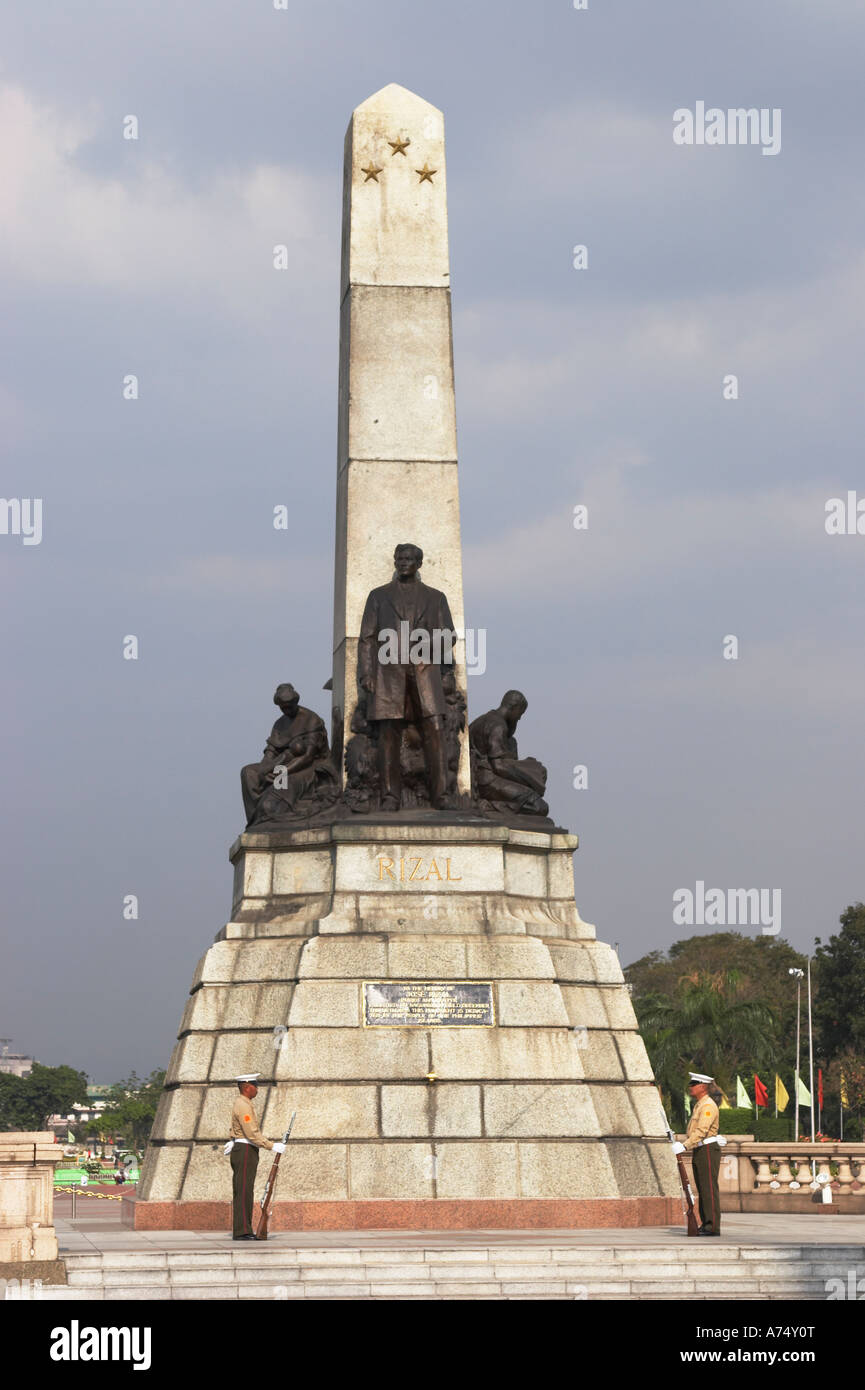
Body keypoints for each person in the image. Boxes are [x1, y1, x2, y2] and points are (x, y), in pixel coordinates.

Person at [357, 543, 457, 811]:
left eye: (409, 558)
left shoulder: (436, 597)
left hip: (425, 671)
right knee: (388, 732)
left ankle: (442, 795)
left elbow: (450, 635)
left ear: (419, 564)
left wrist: (424, 645)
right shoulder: (378, 596)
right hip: (389, 672)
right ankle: (390, 796)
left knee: (435, 728)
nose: (403, 562)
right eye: (399, 558)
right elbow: (367, 638)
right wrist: (366, 674)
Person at [224, 1074, 286, 1240]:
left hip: (243, 1147)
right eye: (254, 1085)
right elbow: (251, 1132)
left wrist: (233, 1139)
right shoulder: (243, 1105)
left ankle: (243, 1228)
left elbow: (238, 1127)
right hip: (245, 1150)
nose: (257, 1088)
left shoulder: (243, 1103)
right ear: (246, 1087)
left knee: (243, 1189)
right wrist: (272, 1146)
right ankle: (243, 1231)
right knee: (244, 1190)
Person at [673, 1071, 723, 1236]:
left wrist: (685, 1146)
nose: (691, 1087)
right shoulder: (700, 1104)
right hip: (701, 1149)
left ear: (702, 1086)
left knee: (708, 1188)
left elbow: (702, 1131)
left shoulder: (708, 1106)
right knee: (702, 1187)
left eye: (694, 1084)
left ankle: (712, 1225)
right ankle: (706, 1223)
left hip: (707, 1149)